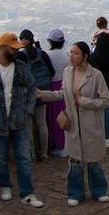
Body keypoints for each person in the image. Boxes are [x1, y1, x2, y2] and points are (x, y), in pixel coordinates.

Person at [0, 32, 44, 208]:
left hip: (19, 120)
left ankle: (27, 192)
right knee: (0, 158)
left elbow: (31, 90)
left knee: (24, 158)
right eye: (12, 48)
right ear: (2, 48)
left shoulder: (22, 69)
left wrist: (27, 112)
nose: (16, 51)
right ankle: (5, 186)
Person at [42, 42, 109, 205]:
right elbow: (63, 93)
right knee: (74, 161)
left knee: (94, 160)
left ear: (85, 56)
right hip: (73, 125)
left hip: (90, 124)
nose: (71, 57)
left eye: (75, 53)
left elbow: (106, 100)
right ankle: (75, 193)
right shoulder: (67, 72)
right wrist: (44, 95)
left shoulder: (96, 75)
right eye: (70, 53)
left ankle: (99, 190)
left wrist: (84, 101)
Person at [18, 29, 55, 160]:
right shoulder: (42, 54)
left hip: (27, 94)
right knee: (42, 123)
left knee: (28, 126)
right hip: (42, 93)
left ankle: (32, 154)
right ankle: (44, 153)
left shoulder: (21, 55)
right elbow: (51, 72)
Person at [44, 28, 71, 158]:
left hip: (53, 87)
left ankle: (58, 146)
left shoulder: (47, 55)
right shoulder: (68, 54)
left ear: (50, 41)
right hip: (66, 86)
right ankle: (67, 144)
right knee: (66, 116)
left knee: (55, 118)